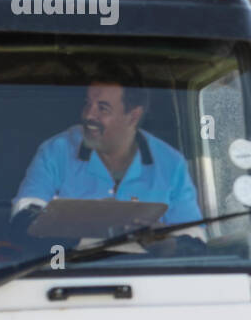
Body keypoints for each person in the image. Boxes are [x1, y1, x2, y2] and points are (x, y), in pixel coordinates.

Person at [11, 64, 202, 231]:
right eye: (87, 103)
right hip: (70, 269)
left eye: (102, 108)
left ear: (133, 116)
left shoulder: (171, 163)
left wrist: (161, 239)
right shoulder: (56, 151)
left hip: (147, 271)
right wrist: (82, 233)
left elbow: (194, 238)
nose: (88, 115)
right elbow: (24, 218)